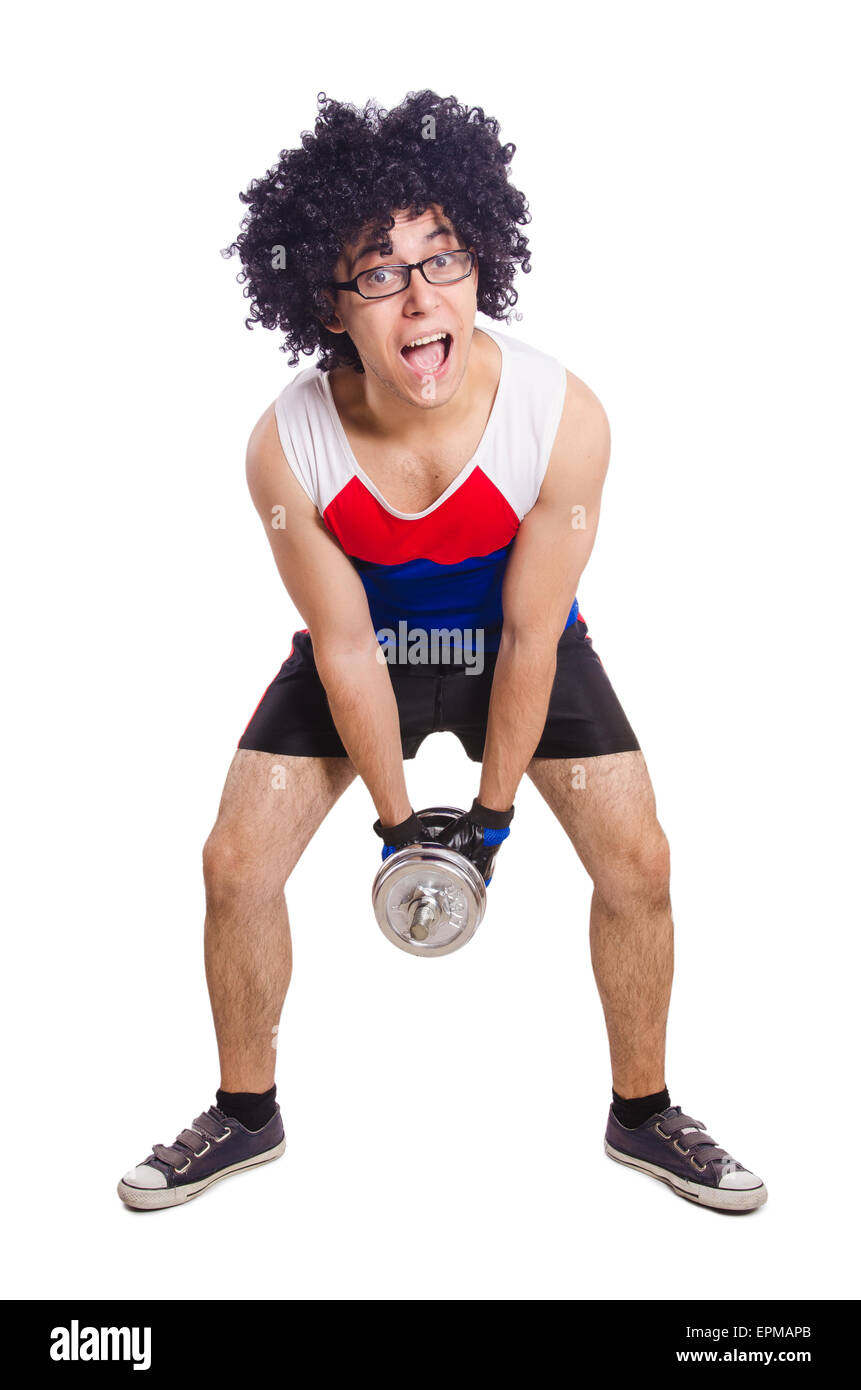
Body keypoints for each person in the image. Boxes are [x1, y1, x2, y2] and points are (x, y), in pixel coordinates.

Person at [117, 91, 766, 1213]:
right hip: (368, 648)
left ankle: (646, 1116)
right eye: (380, 271)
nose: (421, 296)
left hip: (520, 642)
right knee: (234, 863)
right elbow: (346, 643)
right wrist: (396, 820)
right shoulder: (288, 442)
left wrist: (494, 817)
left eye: (443, 259)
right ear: (331, 302)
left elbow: (529, 631)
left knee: (642, 863)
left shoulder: (563, 416)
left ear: (482, 268)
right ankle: (244, 1113)